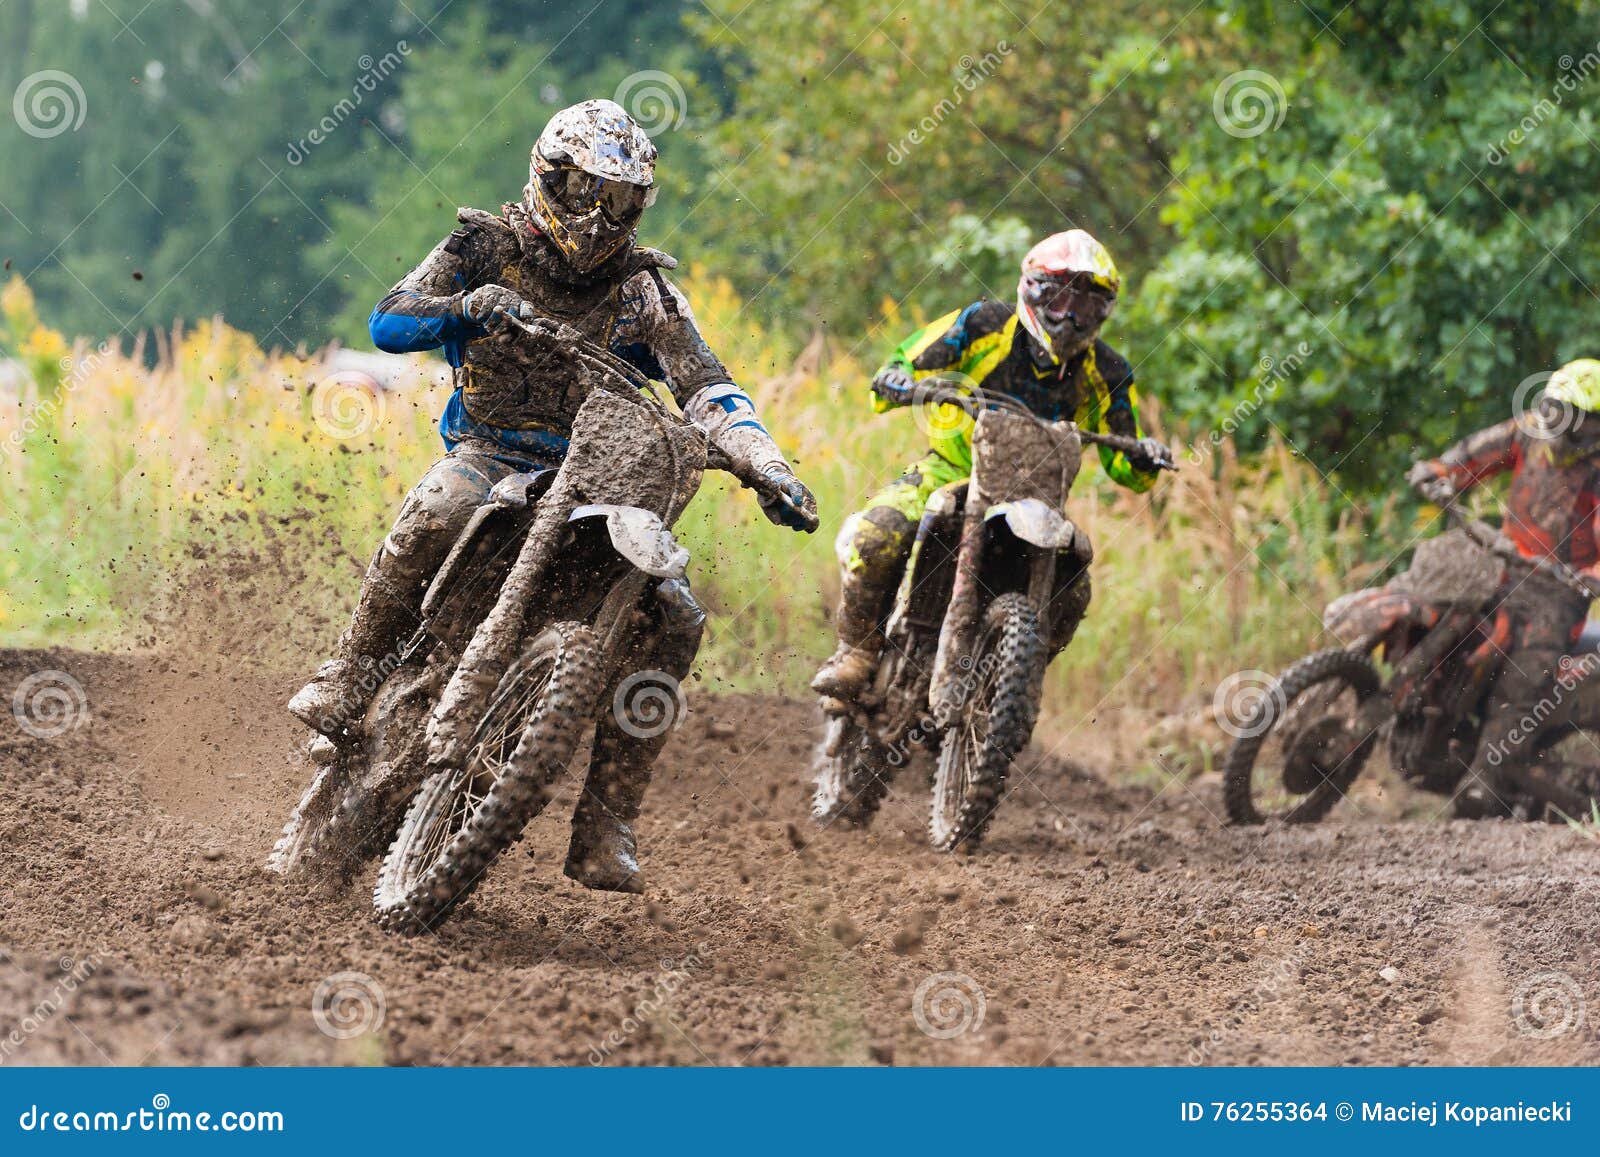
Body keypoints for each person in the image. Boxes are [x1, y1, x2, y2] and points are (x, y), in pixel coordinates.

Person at [288, 99, 816, 891]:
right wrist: (469, 306)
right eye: (590, 193)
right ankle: (353, 671)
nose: (604, 219)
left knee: (677, 617)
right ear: (550, 180)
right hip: (491, 451)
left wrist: (765, 462)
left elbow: (706, 382)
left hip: (597, 478)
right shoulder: (485, 244)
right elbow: (388, 319)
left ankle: (607, 820)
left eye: (624, 202)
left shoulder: (643, 290)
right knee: (439, 507)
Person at [812, 229, 1170, 701]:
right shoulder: (984, 324)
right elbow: (909, 358)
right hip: (951, 471)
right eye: (1061, 299)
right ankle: (857, 651)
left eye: (1085, 305)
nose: (1069, 318)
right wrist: (898, 380)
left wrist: (1145, 455)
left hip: (1038, 498)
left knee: (1075, 590)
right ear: (1033, 289)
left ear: (1103, 311)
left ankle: (1006, 688)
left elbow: (1127, 464)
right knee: (878, 533)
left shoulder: (1108, 372)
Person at [1407, 358, 1600, 815]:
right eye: (1556, 413)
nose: (1558, 427)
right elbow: (1474, 455)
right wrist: (1440, 471)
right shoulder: (1528, 431)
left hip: (1559, 593)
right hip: (1500, 565)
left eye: (1575, 421)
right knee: (1430, 599)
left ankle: (1484, 780)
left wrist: (1591, 576)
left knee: (1524, 679)